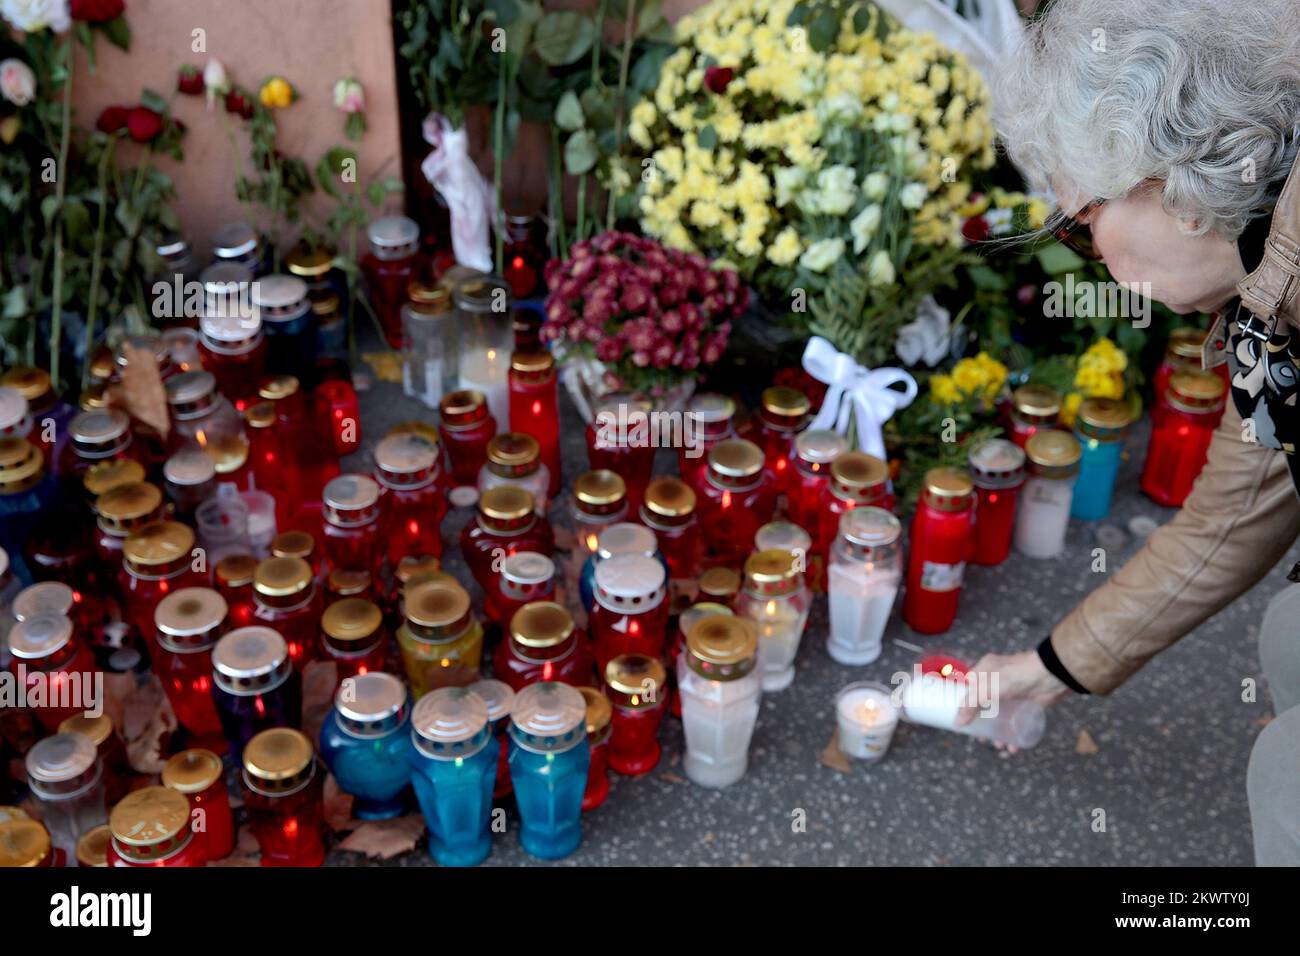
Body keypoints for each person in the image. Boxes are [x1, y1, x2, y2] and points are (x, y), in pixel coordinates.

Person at [973, 0, 1300, 865]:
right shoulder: (1273, 288)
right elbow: (1235, 513)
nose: (1102, 267)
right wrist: (1045, 669)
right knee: (1292, 632)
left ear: (1171, 185)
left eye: (1081, 229)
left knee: (1289, 775)